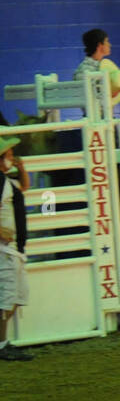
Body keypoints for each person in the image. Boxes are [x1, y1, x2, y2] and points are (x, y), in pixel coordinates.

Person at [0, 135, 32, 361]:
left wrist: (21, 168)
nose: (12, 158)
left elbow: (25, 186)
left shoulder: (6, 182)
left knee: (12, 298)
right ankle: (1, 345)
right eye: (9, 155)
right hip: (5, 249)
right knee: (7, 298)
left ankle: (3, 343)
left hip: (12, 248)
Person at [72, 29, 120, 120]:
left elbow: (119, 88)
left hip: (99, 120)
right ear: (100, 45)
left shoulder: (84, 70)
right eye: (107, 41)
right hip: (98, 122)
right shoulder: (88, 70)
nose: (109, 44)